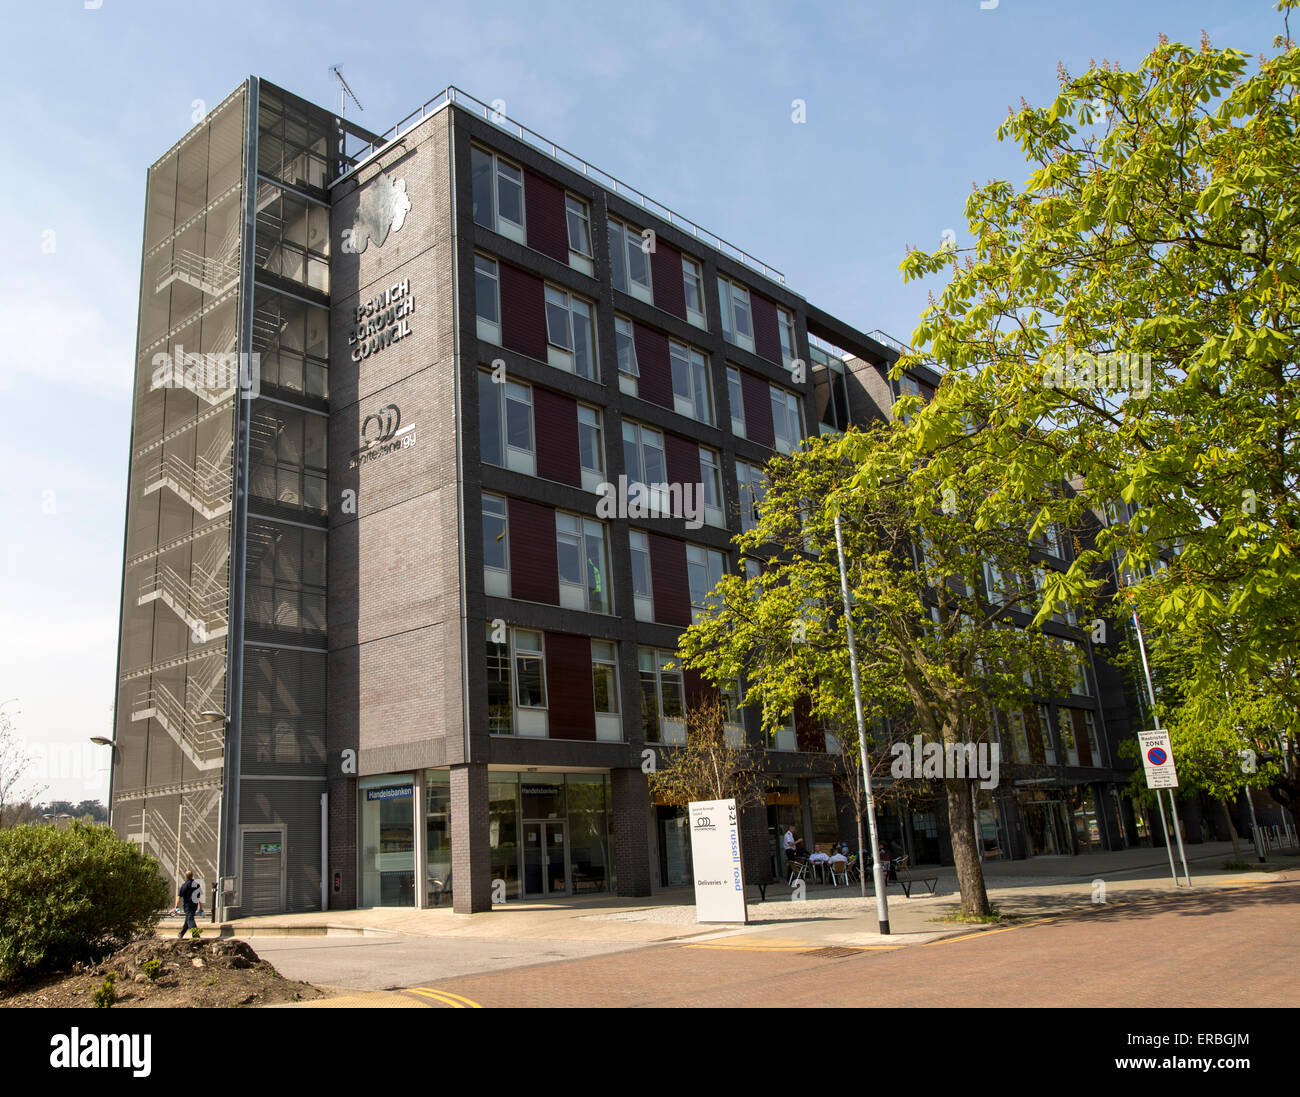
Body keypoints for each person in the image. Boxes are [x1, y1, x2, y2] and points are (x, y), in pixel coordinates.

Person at [176, 870, 202, 938]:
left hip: (188, 905)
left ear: (186, 877)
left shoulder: (184, 885)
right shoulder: (197, 885)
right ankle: (181, 934)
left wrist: (176, 906)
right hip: (194, 905)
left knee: (190, 919)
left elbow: (179, 896)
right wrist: (201, 907)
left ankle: (195, 934)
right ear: (192, 876)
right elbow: (199, 897)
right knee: (188, 919)